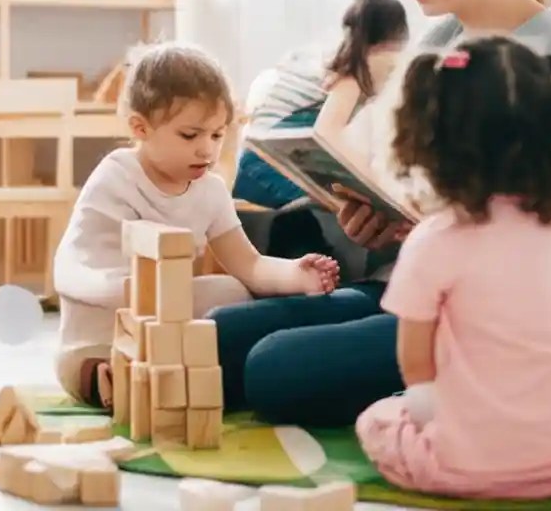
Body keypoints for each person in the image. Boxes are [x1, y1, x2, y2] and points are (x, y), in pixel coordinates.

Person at [208, 0, 551, 428]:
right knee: (218, 336)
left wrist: (436, 230)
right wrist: (370, 212)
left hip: (493, 316)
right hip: (408, 284)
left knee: (272, 369)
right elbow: (390, 169)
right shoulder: (435, 43)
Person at [357, 36, 551, 499]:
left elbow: (415, 366)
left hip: (466, 469)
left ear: (433, 137)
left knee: (378, 419)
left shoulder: (434, 241)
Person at [52, 42, 340, 407]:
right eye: (190, 135)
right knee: (73, 365)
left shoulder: (211, 190)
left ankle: (173, 373)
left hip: (168, 314)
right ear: (141, 128)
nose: (207, 149)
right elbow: (78, 261)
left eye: (217, 135)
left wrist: (296, 275)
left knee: (231, 291)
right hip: (104, 316)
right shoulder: (117, 174)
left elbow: (248, 264)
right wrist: (132, 293)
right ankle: (106, 378)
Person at [232, 0, 409, 210]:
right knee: (347, 210)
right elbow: (327, 134)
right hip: (268, 165)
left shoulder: (334, 58)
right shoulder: (354, 68)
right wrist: (379, 190)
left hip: (257, 162)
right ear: (393, 40)